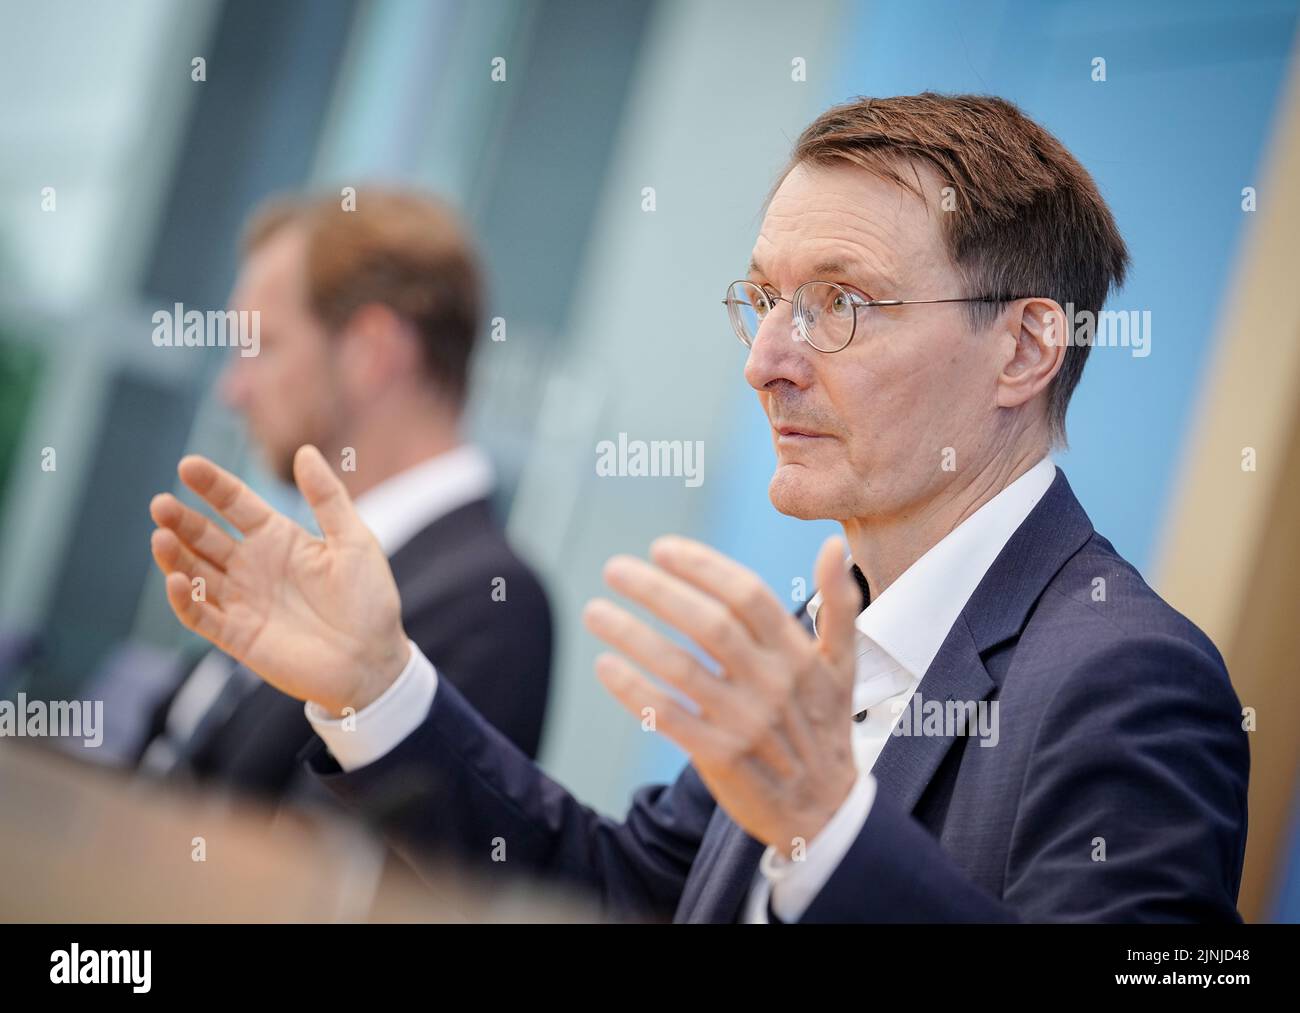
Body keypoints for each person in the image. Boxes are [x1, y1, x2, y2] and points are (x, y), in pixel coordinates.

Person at [148, 94, 1248, 922]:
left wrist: (828, 826)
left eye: (840, 303)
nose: (766, 359)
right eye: (766, 299)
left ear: (1023, 345)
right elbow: (618, 884)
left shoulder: (1132, 678)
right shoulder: (836, 632)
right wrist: (377, 689)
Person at [141, 190, 552, 805]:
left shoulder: (491, 605)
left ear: (371, 352)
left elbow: (341, 881)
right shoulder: (308, 556)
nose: (233, 390)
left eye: (261, 345)